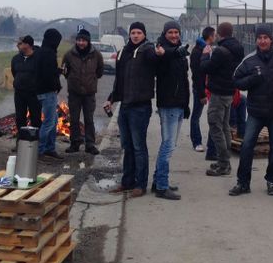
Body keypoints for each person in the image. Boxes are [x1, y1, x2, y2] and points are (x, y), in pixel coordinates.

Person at [229, 25, 273, 197]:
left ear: (271, 39)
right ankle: (243, 183)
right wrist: (252, 79)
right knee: (246, 146)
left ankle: (272, 181)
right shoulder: (249, 60)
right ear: (256, 40)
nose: (262, 41)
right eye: (259, 38)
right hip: (255, 112)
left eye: (265, 37)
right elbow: (236, 80)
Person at [104, 22, 158, 198]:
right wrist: (111, 99)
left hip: (140, 107)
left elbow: (157, 61)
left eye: (139, 32)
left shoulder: (148, 50)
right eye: (133, 32)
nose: (135, 35)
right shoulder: (123, 53)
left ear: (144, 34)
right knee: (126, 146)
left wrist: (161, 54)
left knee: (138, 147)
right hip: (125, 106)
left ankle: (140, 184)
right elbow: (119, 81)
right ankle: (127, 182)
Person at [151, 21, 190, 200]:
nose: (174, 35)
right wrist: (174, 52)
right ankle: (162, 186)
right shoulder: (160, 50)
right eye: (170, 33)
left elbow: (183, 81)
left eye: (176, 32)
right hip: (168, 105)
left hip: (178, 104)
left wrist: (186, 104)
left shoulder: (179, 52)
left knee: (167, 145)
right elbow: (164, 57)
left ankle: (157, 181)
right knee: (168, 146)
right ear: (165, 34)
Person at [200, 22, 244, 176]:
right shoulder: (238, 48)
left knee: (215, 126)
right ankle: (224, 161)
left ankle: (224, 164)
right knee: (224, 126)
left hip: (218, 93)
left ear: (219, 34)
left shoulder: (220, 51)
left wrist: (205, 55)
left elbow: (206, 68)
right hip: (229, 92)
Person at [62, 29, 104, 155]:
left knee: (89, 119)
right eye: (79, 40)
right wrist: (73, 80)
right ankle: (75, 143)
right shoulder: (69, 54)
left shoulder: (96, 55)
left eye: (84, 40)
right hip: (74, 93)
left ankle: (90, 144)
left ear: (88, 41)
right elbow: (65, 71)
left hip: (89, 93)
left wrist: (90, 81)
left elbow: (100, 71)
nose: (81, 43)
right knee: (74, 119)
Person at [35, 28, 63, 162]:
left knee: (54, 121)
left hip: (43, 91)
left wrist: (57, 71)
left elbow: (47, 70)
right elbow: (48, 75)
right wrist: (57, 84)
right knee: (48, 122)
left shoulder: (41, 52)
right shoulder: (49, 54)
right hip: (47, 92)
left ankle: (50, 148)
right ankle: (39, 151)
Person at [189, 26, 215, 154]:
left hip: (208, 87)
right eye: (214, 35)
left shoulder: (207, 49)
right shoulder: (198, 51)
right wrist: (201, 93)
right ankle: (196, 141)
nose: (215, 38)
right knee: (196, 115)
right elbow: (197, 74)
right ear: (210, 36)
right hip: (200, 88)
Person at [11, 36, 42, 136]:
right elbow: (14, 73)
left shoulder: (38, 58)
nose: (17, 45)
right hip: (19, 93)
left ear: (27, 45)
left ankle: (35, 142)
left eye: (20, 43)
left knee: (35, 118)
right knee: (20, 117)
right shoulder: (15, 59)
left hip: (34, 93)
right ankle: (21, 141)